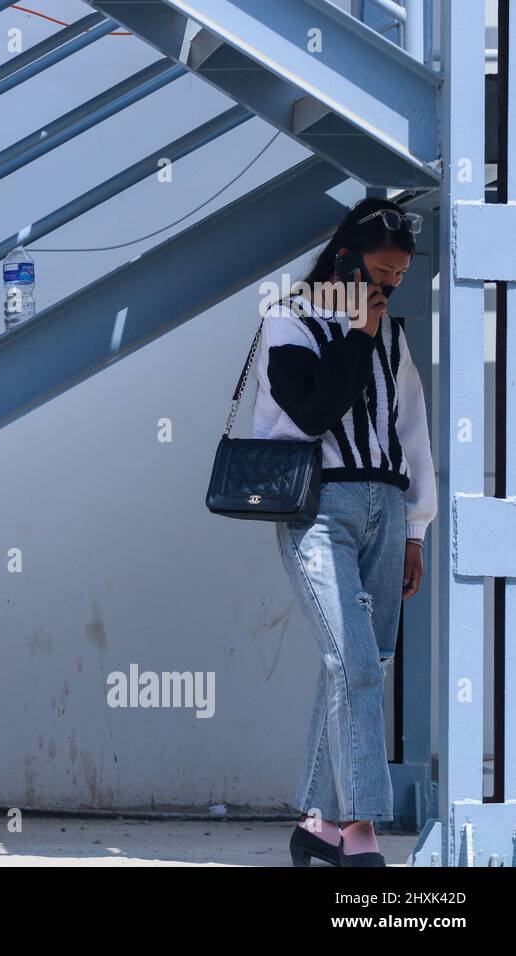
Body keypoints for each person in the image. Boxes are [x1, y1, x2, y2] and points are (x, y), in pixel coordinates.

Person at [253, 198, 437, 867]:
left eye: (396, 280)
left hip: (385, 511)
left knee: (362, 668)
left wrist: (417, 528)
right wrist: (357, 335)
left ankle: (314, 823)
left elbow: (410, 427)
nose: (388, 291)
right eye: (380, 276)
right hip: (318, 509)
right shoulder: (289, 319)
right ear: (344, 258)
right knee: (354, 665)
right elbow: (310, 411)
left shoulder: (391, 333)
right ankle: (359, 830)